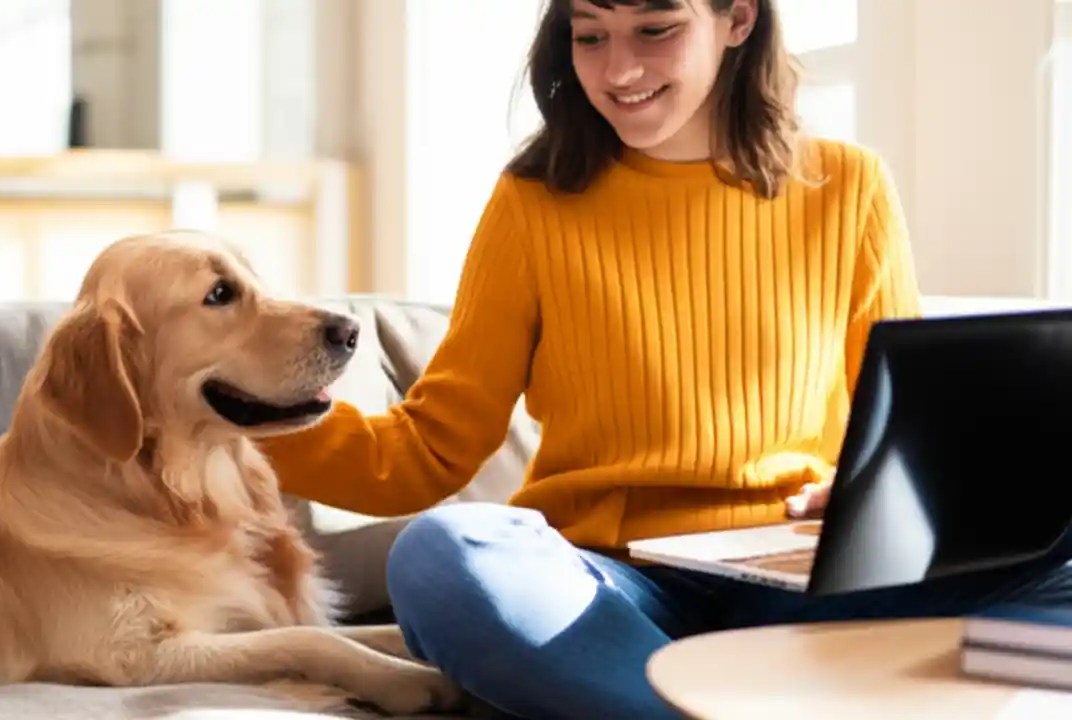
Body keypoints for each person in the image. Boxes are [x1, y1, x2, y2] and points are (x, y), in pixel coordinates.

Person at [260, 1, 1072, 718]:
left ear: (738, 20)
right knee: (445, 557)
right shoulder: (534, 203)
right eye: (590, 34)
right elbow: (428, 451)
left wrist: (864, 492)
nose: (619, 69)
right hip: (613, 591)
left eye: (656, 28)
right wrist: (234, 425)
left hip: (807, 583)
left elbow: (897, 430)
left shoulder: (848, 187)